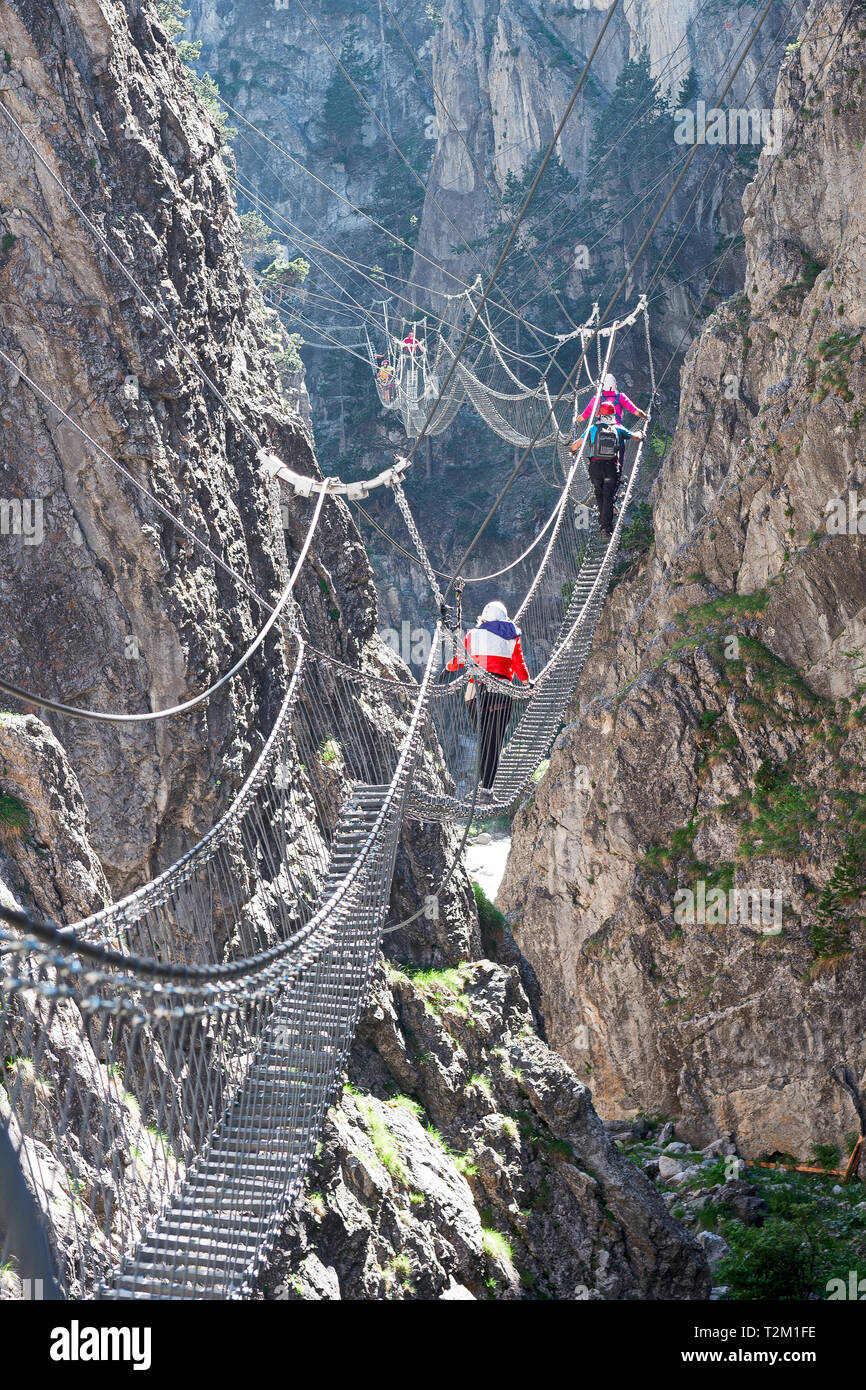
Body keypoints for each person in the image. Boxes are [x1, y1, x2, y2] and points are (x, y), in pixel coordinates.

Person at [446, 599, 532, 794]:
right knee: (495, 741)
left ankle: (483, 785)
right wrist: (527, 682)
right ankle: (487, 789)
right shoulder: (512, 636)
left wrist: (448, 668)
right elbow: (519, 664)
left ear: (483, 618)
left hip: (475, 694)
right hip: (502, 694)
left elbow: (459, 660)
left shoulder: (472, 635)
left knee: (484, 738)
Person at [571, 402, 644, 538]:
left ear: (599, 414)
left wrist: (571, 451)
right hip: (611, 468)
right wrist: (640, 433)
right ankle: (607, 528)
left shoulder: (593, 428)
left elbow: (575, 446)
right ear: (613, 414)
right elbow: (635, 437)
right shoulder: (618, 428)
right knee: (608, 497)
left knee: (599, 494)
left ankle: (602, 523)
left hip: (595, 468)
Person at [579, 373, 647, 470]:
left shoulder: (596, 399)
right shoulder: (621, 397)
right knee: (620, 450)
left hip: (599, 429)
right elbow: (636, 411)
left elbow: (583, 416)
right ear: (615, 385)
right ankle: (619, 474)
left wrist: (576, 419)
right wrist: (646, 416)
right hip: (618, 430)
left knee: (595, 447)